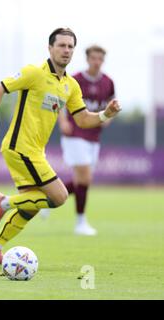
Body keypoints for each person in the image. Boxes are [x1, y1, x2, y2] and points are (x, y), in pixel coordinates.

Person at [0, 28, 121, 264]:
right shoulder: (33, 73)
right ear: (50, 48)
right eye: (61, 45)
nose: (66, 50)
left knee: (31, 206)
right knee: (59, 197)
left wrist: (105, 115)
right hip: (20, 147)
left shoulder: (71, 85)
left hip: (36, 152)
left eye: (70, 47)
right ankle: (3, 203)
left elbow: (83, 119)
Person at [54, 45, 115, 236]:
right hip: (75, 133)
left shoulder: (108, 82)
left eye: (100, 59)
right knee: (86, 177)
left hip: (94, 136)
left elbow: (112, 105)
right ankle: (81, 222)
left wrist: (108, 118)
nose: (96, 62)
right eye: (93, 58)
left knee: (82, 180)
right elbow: (60, 102)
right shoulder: (76, 79)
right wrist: (63, 121)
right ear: (87, 59)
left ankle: (50, 198)